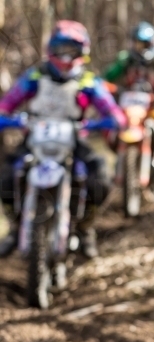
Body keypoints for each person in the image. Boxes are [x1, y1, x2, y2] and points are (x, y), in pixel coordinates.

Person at [0, 20, 126, 259]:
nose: (66, 57)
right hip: (36, 138)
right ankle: (15, 229)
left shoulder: (88, 82)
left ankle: (86, 229)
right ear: (51, 49)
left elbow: (113, 113)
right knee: (7, 176)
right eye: (62, 49)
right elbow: (6, 105)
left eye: (73, 50)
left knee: (100, 174)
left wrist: (100, 123)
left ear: (83, 52)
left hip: (73, 139)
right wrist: (13, 120)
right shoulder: (35, 76)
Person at [104, 21, 154, 191]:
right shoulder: (125, 59)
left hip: (153, 106)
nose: (140, 48)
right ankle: (118, 167)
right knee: (112, 129)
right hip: (129, 107)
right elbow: (108, 76)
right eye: (137, 43)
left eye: (144, 44)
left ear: (152, 43)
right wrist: (109, 87)